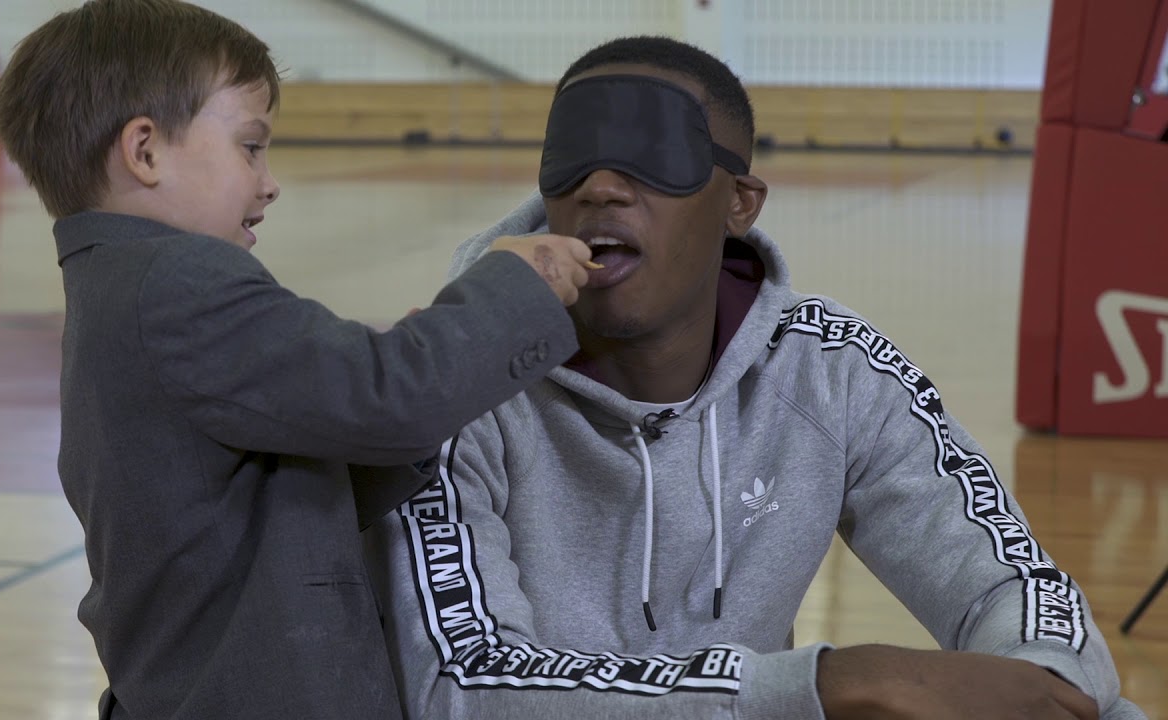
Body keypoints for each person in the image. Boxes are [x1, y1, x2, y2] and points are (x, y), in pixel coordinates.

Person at [367, 36, 1147, 719]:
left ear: (739, 203)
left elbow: (1010, 586)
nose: (600, 189)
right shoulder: (445, 382)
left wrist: (1046, 684)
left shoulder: (830, 372)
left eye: (652, 154)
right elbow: (466, 690)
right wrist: (831, 685)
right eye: (574, 158)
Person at [0, 1, 594, 718]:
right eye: (251, 146)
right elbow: (387, 399)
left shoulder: (114, 292)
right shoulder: (180, 284)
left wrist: (411, 379)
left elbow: (272, 484)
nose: (269, 181)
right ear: (145, 151)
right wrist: (511, 291)